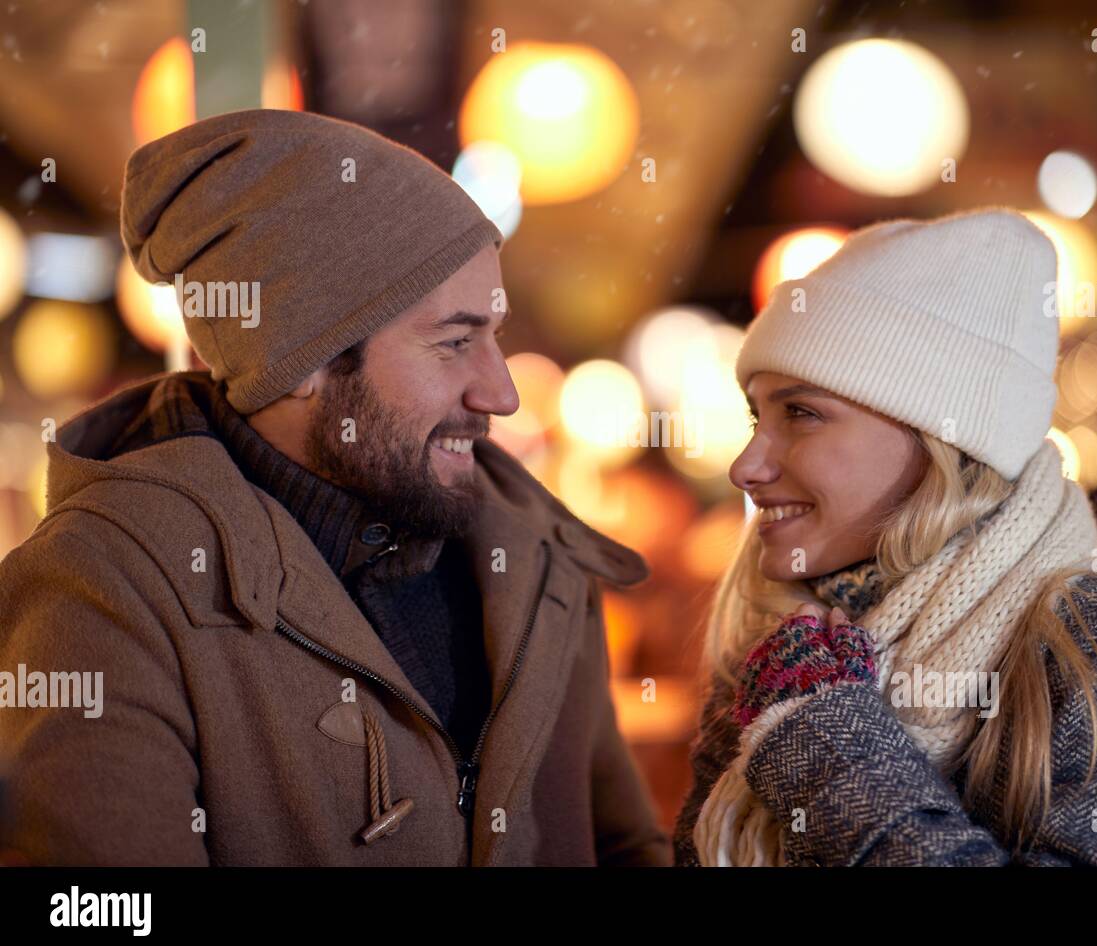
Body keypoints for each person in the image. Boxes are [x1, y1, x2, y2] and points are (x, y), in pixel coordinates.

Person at [0, 109, 669, 866]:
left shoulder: (539, 557)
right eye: (454, 342)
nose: (502, 393)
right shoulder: (104, 590)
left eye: (495, 335)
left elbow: (624, 847)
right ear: (301, 361)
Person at [674, 209, 1097, 866]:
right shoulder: (778, 652)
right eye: (755, 417)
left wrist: (823, 742)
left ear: (940, 437)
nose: (745, 467)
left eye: (800, 413)